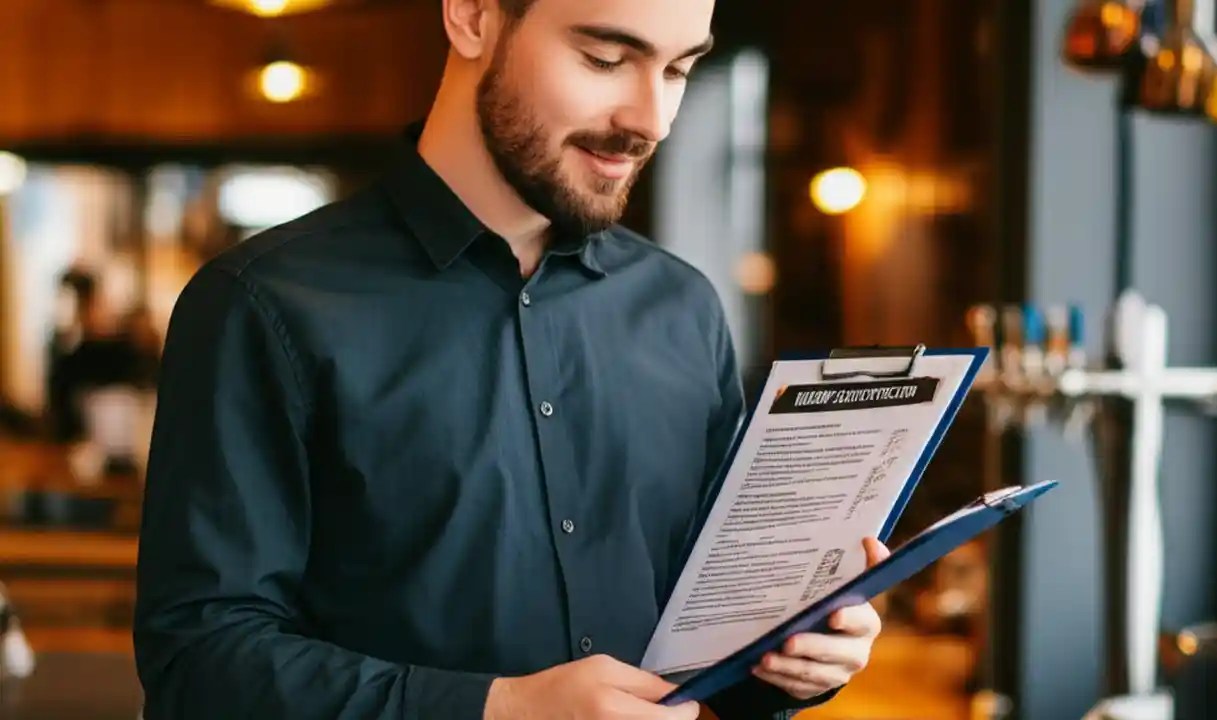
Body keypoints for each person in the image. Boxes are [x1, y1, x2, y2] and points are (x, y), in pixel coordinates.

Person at [132, 0, 891, 718]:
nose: (649, 119)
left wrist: (795, 654)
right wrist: (499, 709)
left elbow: (706, 657)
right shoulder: (261, 305)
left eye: (677, 70)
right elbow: (198, 664)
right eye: (604, 58)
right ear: (471, 14)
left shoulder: (684, 310)